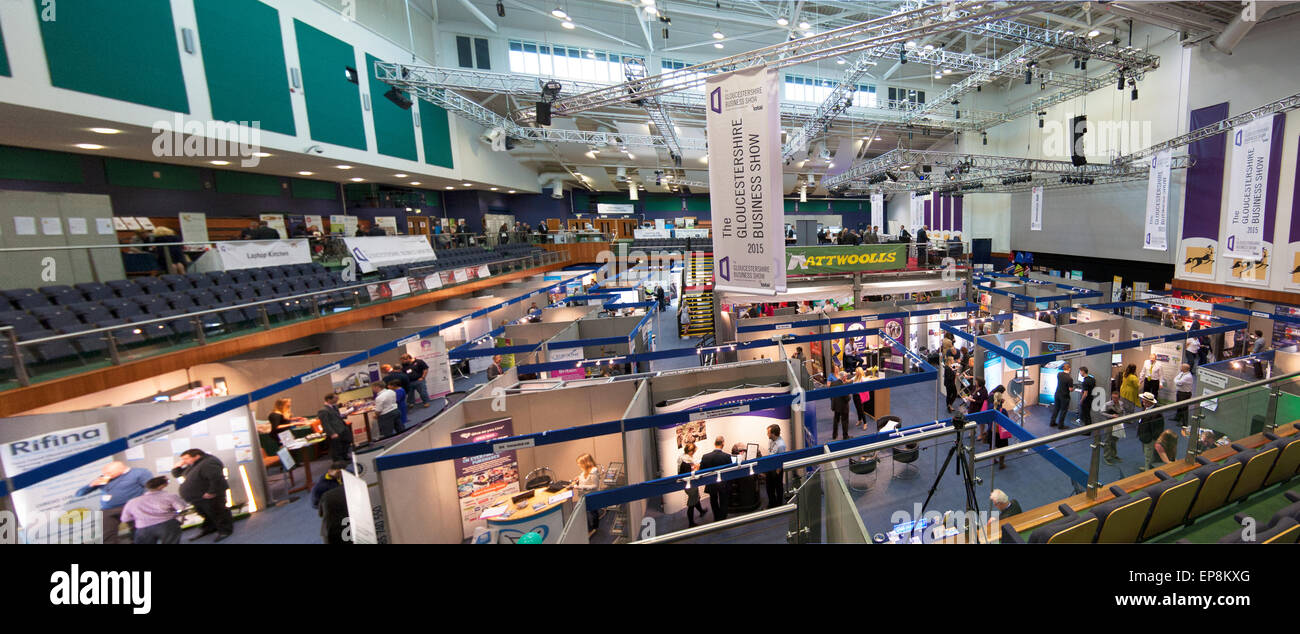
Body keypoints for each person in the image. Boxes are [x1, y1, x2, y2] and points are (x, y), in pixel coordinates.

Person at [75, 461, 152, 544]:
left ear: (121, 469)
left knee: (139, 532)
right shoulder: (105, 477)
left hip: (131, 506)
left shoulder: (140, 472)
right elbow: (79, 493)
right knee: (107, 535)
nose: (106, 474)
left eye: (109, 473)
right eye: (104, 473)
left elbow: (150, 488)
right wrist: (92, 484)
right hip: (108, 509)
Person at [171, 449, 233, 541]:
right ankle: (211, 528)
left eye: (186, 458)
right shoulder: (194, 464)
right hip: (198, 497)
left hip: (209, 496)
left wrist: (212, 492)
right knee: (206, 514)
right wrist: (177, 467)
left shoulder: (209, 462)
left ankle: (225, 531)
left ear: (197, 456)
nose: (184, 461)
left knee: (218, 513)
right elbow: (178, 474)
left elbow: (216, 479)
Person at [120, 476, 188, 545]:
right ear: (163, 486)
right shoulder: (170, 496)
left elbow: (125, 519)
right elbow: (182, 509)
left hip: (143, 528)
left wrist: (140, 517)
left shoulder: (132, 502)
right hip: (167, 525)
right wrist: (179, 519)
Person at [699, 437, 732, 522]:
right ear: (723, 444)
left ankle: (716, 517)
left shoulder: (705, 457)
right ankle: (723, 518)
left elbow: (701, 471)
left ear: (714, 443)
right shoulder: (727, 456)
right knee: (723, 500)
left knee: (713, 500)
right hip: (723, 483)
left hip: (711, 483)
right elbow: (730, 471)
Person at [678, 442, 708, 527]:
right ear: (691, 451)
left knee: (696, 498)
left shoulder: (682, 458)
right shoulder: (688, 463)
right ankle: (691, 523)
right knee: (691, 503)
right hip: (690, 484)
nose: (694, 453)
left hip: (687, 483)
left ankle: (701, 511)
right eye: (694, 451)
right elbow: (692, 475)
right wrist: (697, 469)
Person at [1100, 389, 1134, 465]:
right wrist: (1111, 416)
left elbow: (1123, 411)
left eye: (1116, 398)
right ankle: (1106, 457)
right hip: (1109, 424)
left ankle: (1113, 455)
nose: (1114, 399)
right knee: (1107, 441)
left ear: (1119, 398)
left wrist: (1123, 417)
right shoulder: (1107, 404)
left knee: (1114, 440)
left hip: (1118, 424)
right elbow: (1101, 413)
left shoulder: (1121, 403)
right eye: (1113, 398)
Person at [318, 393, 354, 461]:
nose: (337, 399)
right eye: (335, 398)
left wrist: (345, 414)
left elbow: (337, 416)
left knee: (346, 442)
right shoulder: (323, 410)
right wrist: (332, 433)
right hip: (335, 431)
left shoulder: (334, 407)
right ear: (329, 400)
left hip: (342, 428)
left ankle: (345, 456)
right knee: (337, 448)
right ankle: (338, 462)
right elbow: (325, 423)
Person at [1135, 392, 1165, 471]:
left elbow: (1158, 429)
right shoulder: (1146, 408)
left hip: (1149, 438)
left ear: (1149, 402)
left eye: (1144, 400)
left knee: (1148, 454)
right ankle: (1147, 467)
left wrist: (1153, 438)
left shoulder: (1156, 413)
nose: (1142, 401)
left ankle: (1147, 470)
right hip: (1144, 435)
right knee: (1146, 453)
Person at [572, 453, 601, 532]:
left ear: (585, 463)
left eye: (579, 463)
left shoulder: (593, 471)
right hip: (584, 495)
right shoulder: (585, 470)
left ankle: (595, 528)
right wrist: (578, 478)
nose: (578, 465)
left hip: (591, 496)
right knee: (587, 512)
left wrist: (580, 487)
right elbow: (585, 479)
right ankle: (589, 528)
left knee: (593, 512)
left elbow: (594, 486)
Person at [765, 424, 787, 509]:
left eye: (768, 432)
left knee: (778, 487)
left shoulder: (781, 445)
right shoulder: (771, 440)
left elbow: (781, 459)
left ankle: (779, 504)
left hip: (777, 469)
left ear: (773, 433)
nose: (767, 434)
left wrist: (777, 471)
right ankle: (771, 503)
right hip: (769, 467)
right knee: (769, 487)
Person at [830, 371, 852, 441]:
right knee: (845, 421)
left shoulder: (833, 383)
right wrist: (850, 397)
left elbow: (830, 395)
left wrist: (833, 401)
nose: (846, 377)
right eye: (846, 376)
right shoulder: (844, 385)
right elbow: (847, 398)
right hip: (843, 406)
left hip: (835, 405)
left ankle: (834, 435)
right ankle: (845, 436)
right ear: (843, 377)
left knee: (836, 420)